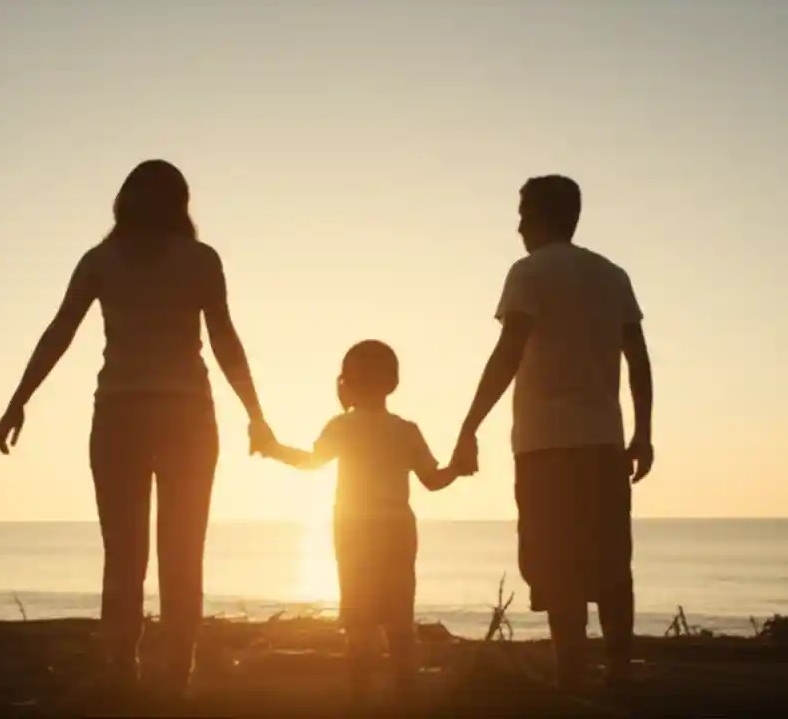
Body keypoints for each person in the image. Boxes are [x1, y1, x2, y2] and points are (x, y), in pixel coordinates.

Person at [0, 160, 274, 695]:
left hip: (128, 417)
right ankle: (166, 672)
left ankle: (129, 668)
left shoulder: (103, 260)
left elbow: (59, 332)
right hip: (182, 418)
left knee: (126, 552)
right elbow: (224, 341)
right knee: (178, 550)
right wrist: (255, 415)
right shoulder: (191, 259)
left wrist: (19, 401)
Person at [451, 175, 654, 690]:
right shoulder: (613, 275)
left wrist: (469, 425)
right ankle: (620, 673)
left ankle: (571, 676)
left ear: (541, 216)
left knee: (554, 564)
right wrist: (643, 432)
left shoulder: (528, 273)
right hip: (604, 443)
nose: (517, 225)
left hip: (545, 446)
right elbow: (639, 359)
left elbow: (508, 352)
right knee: (611, 563)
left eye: (523, 213)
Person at [254, 340, 469, 702]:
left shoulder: (341, 426)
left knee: (359, 623)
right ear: (393, 383)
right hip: (398, 530)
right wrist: (458, 468)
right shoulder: (406, 430)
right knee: (400, 620)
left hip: (354, 532)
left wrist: (273, 449)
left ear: (346, 383)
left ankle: (360, 699)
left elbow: (311, 462)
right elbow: (433, 481)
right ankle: (407, 696)